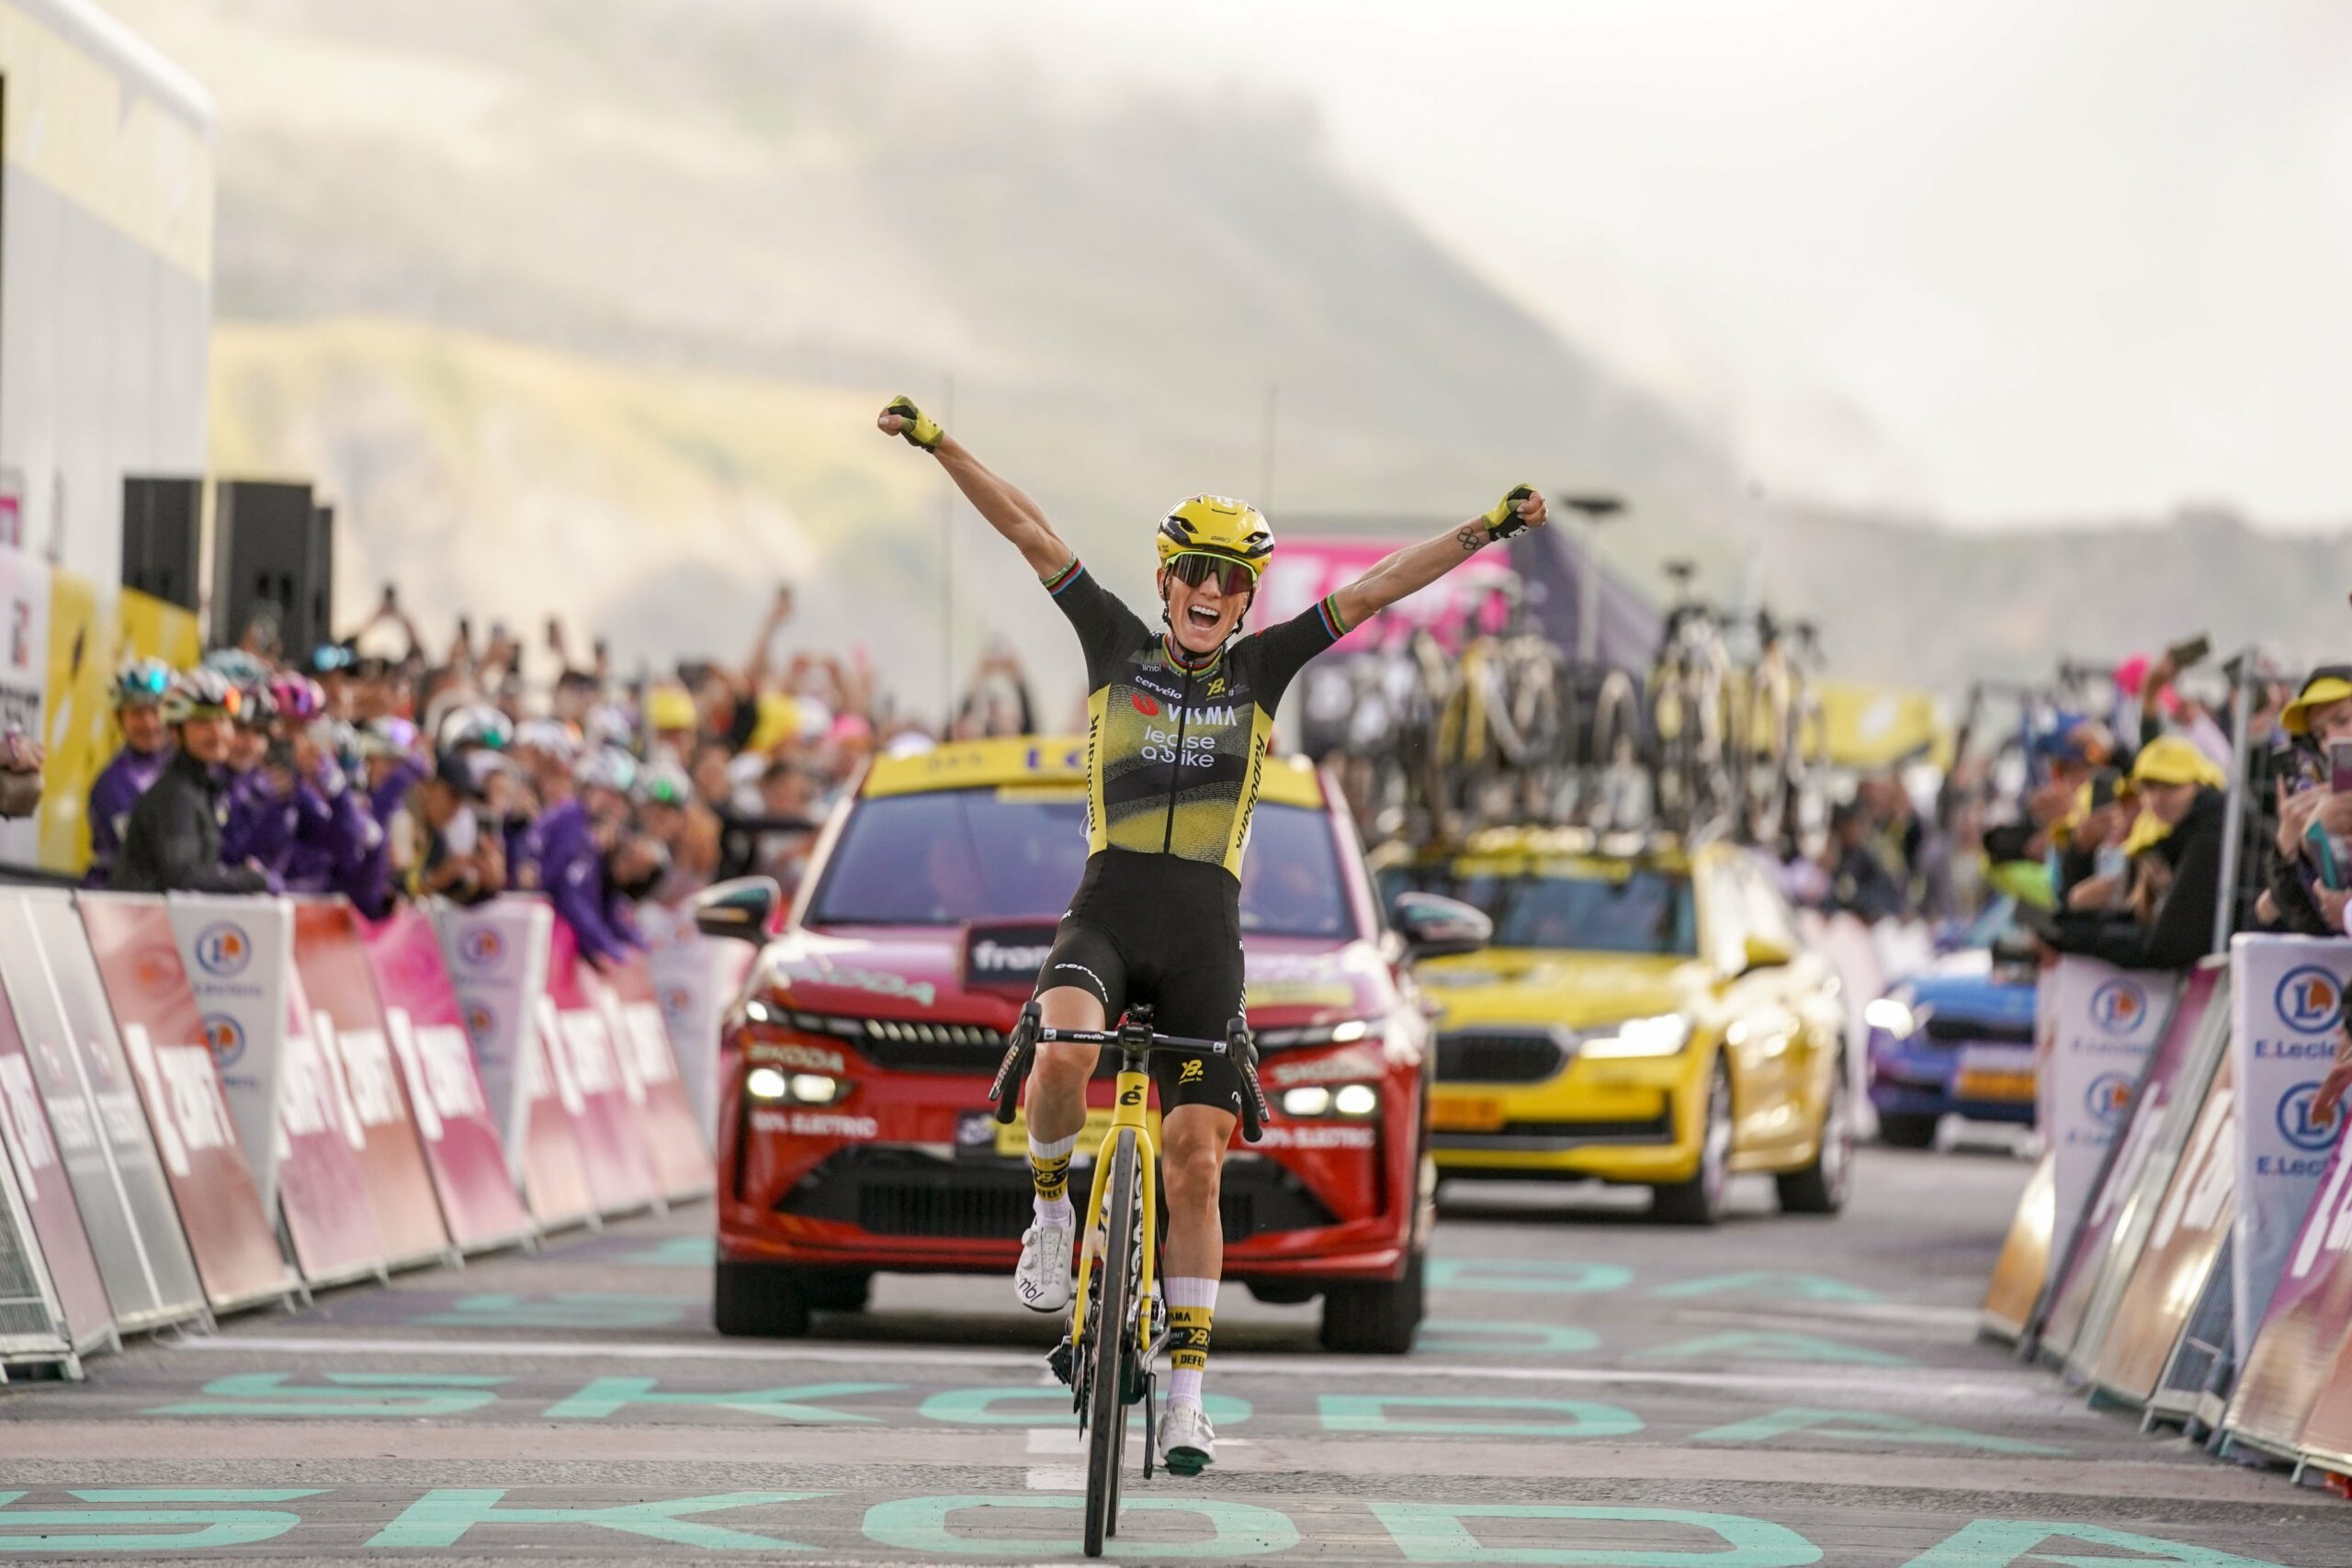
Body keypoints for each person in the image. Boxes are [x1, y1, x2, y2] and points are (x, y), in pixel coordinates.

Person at [877, 392, 1548, 1475]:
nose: (1210, 593)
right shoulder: (1112, 643)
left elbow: (1377, 590)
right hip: (1105, 910)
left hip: (1203, 936)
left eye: (1232, 579)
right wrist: (937, 439)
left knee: (1195, 1162)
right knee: (1056, 1053)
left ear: (1246, 599)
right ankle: (1051, 1216)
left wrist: (1487, 529)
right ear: (1165, 578)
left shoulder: (1261, 670)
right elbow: (1027, 530)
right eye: (1195, 572)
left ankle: (1186, 1398)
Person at [2041, 737, 2227, 971]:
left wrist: (2067, 934)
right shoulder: (2182, 835)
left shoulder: (2209, 835)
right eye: (2149, 787)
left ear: (2200, 785)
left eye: (2172, 786)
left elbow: (2164, 946)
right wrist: (2080, 852)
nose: (2158, 798)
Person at [112, 671, 273, 895]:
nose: (217, 732)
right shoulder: (176, 795)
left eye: (223, 719)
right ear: (175, 733)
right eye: (202, 722)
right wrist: (250, 879)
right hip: (143, 925)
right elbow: (181, 878)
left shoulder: (204, 787)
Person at [87, 660, 176, 883]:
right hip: (120, 899)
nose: (149, 723)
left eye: (156, 710)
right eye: (137, 712)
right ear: (119, 718)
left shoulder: (194, 767)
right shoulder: (112, 783)